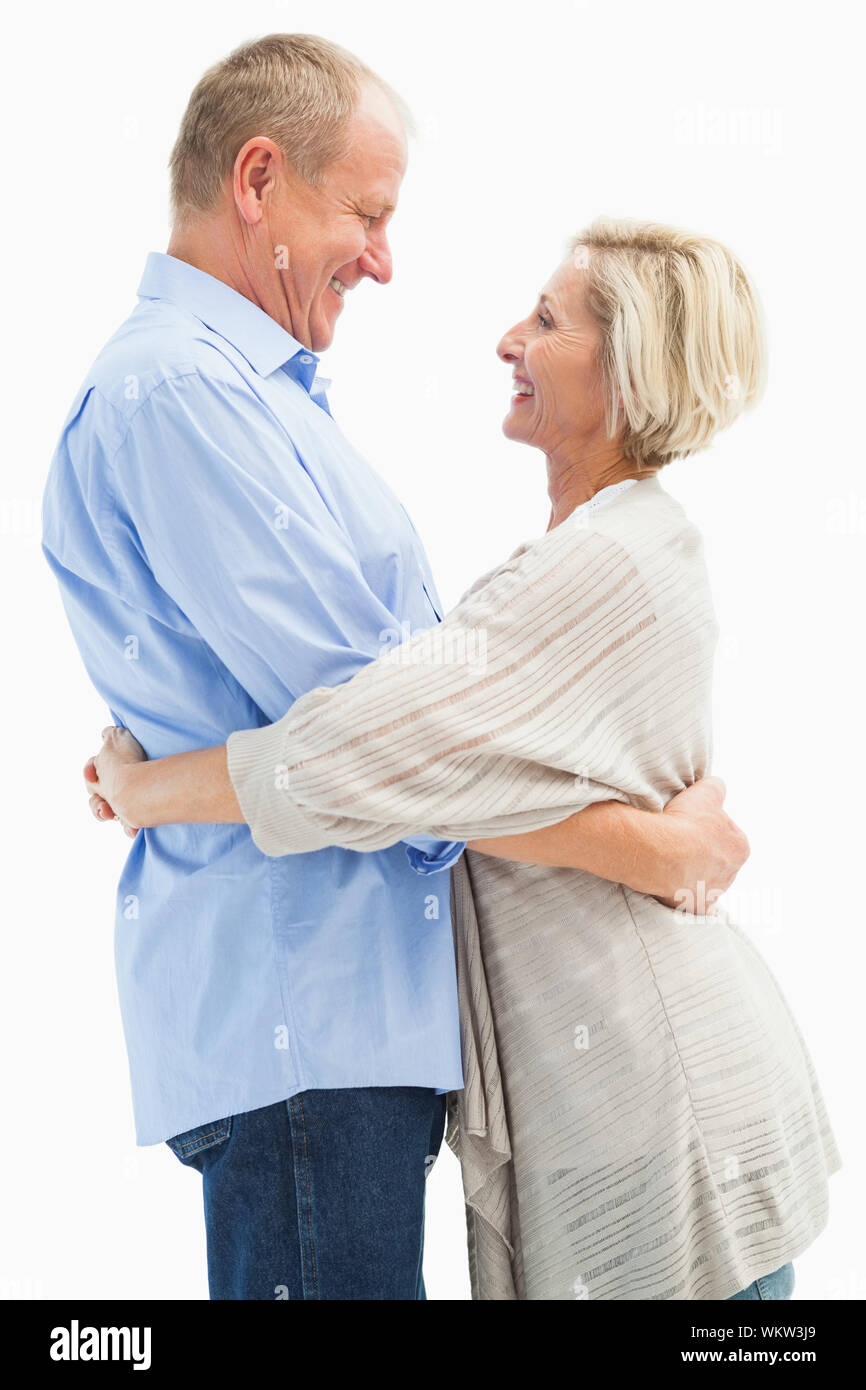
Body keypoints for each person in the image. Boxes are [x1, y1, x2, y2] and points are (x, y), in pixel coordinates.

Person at [43, 34, 745, 1302]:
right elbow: (385, 741)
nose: (382, 256)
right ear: (258, 178)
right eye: (365, 212)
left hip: (338, 1026)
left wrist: (159, 784)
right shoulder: (182, 397)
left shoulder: (252, 400)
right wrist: (651, 848)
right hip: (299, 1018)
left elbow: (412, 729)